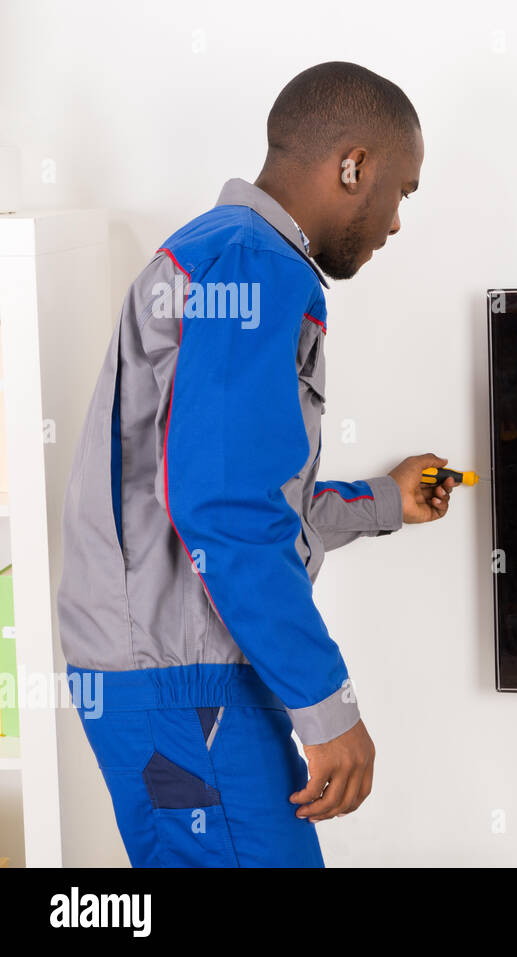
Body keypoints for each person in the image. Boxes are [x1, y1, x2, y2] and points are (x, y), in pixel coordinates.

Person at [56, 61, 451, 866]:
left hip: (171, 677)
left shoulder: (223, 253)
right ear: (353, 166)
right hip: (186, 684)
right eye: (403, 191)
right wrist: (326, 704)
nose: (398, 222)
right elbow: (227, 507)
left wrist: (384, 500)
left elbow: (244, 496)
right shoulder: (252, 263)